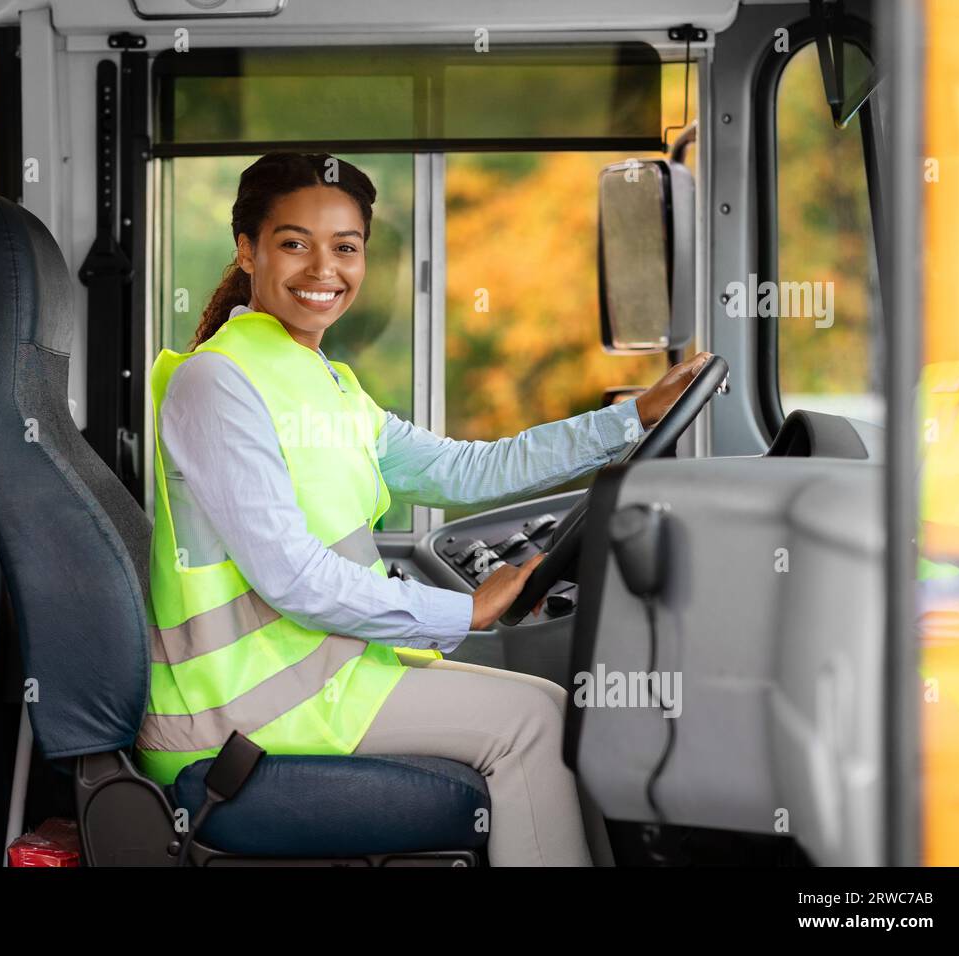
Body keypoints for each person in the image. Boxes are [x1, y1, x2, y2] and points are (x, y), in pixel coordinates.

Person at [136, 152, 712, 865]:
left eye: (345, 248)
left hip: (320, 680)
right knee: (531, 724)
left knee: (552, 705)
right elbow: (294, 580)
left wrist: (630, 420)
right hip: (236, 715)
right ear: (247, 251)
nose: (324, 269)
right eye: (294, 243)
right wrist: (462, 613)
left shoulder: (331, 388)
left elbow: (467, 469)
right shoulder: (216, 384)